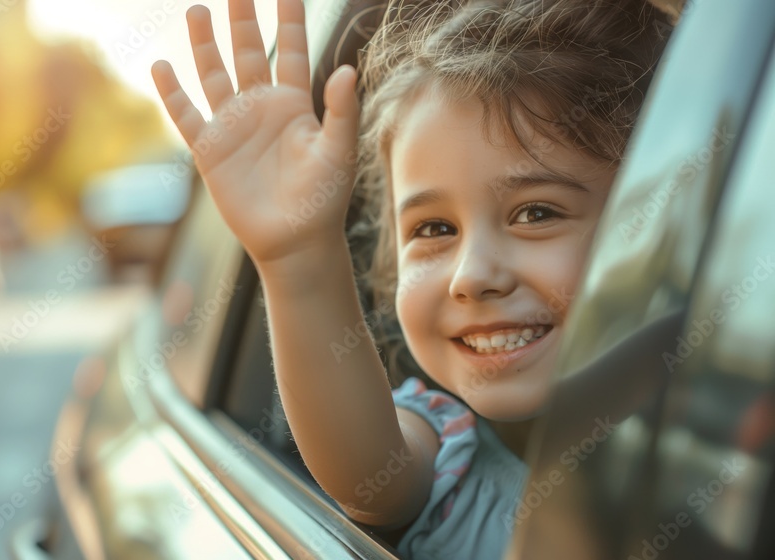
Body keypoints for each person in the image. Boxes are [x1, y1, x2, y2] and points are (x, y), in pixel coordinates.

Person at [151, 0, 672, 557]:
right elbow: (365, 471)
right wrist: (298, 259)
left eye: (536, 213)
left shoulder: (722, 432)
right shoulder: (438, 442)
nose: (472, 276)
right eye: (435, 228)